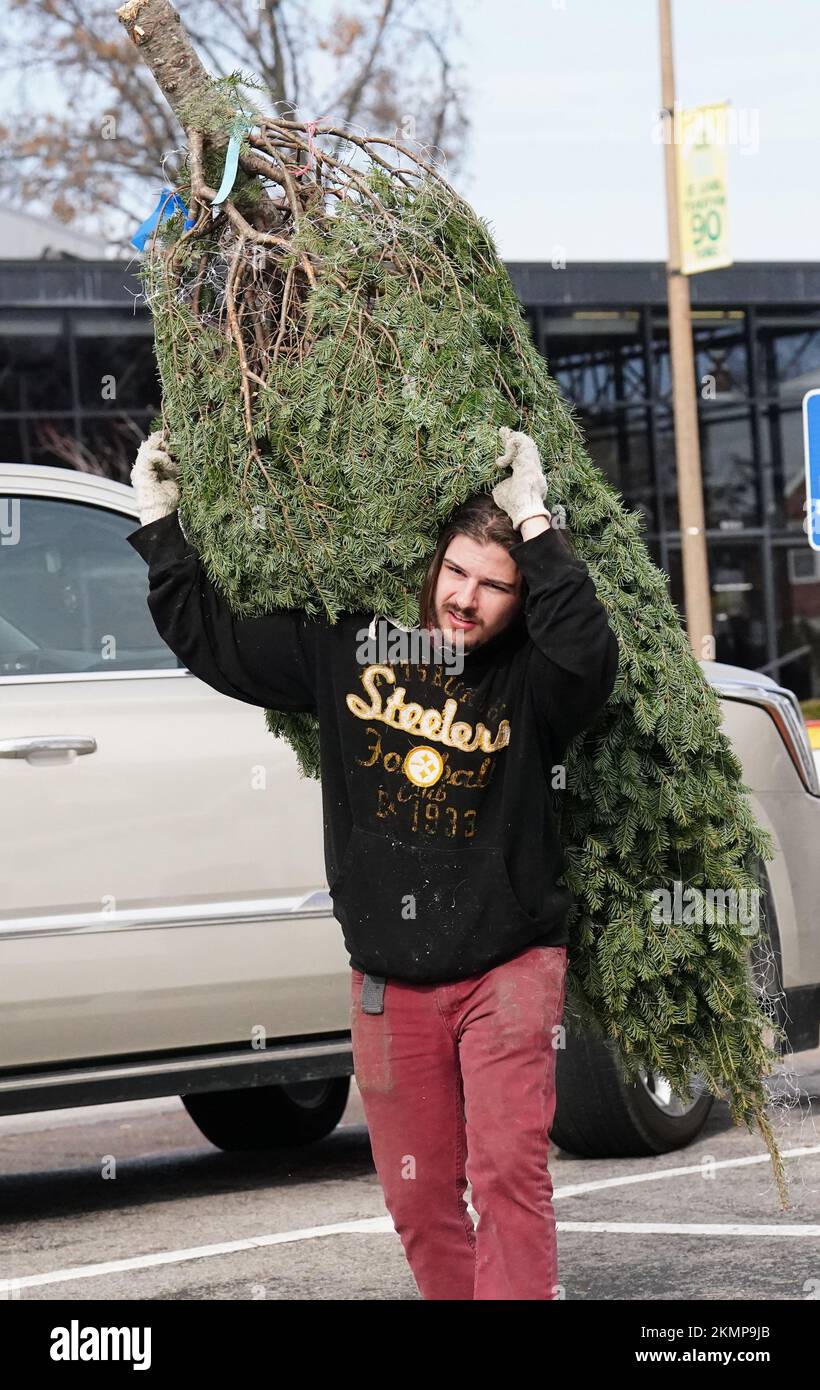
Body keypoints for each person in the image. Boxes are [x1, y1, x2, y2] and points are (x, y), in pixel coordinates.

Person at [127, 426, 620, 1301]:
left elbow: (590, 656)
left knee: (509, 1177)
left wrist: (535, 521)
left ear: (522, 597)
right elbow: (217, 645)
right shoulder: (351, 646)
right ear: (432, 567)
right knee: (421, 1196)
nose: (467, 601)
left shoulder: (532, 680)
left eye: (496, 587)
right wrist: (162, 524)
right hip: (389, 984)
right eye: (457, 573)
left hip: (509, 966)